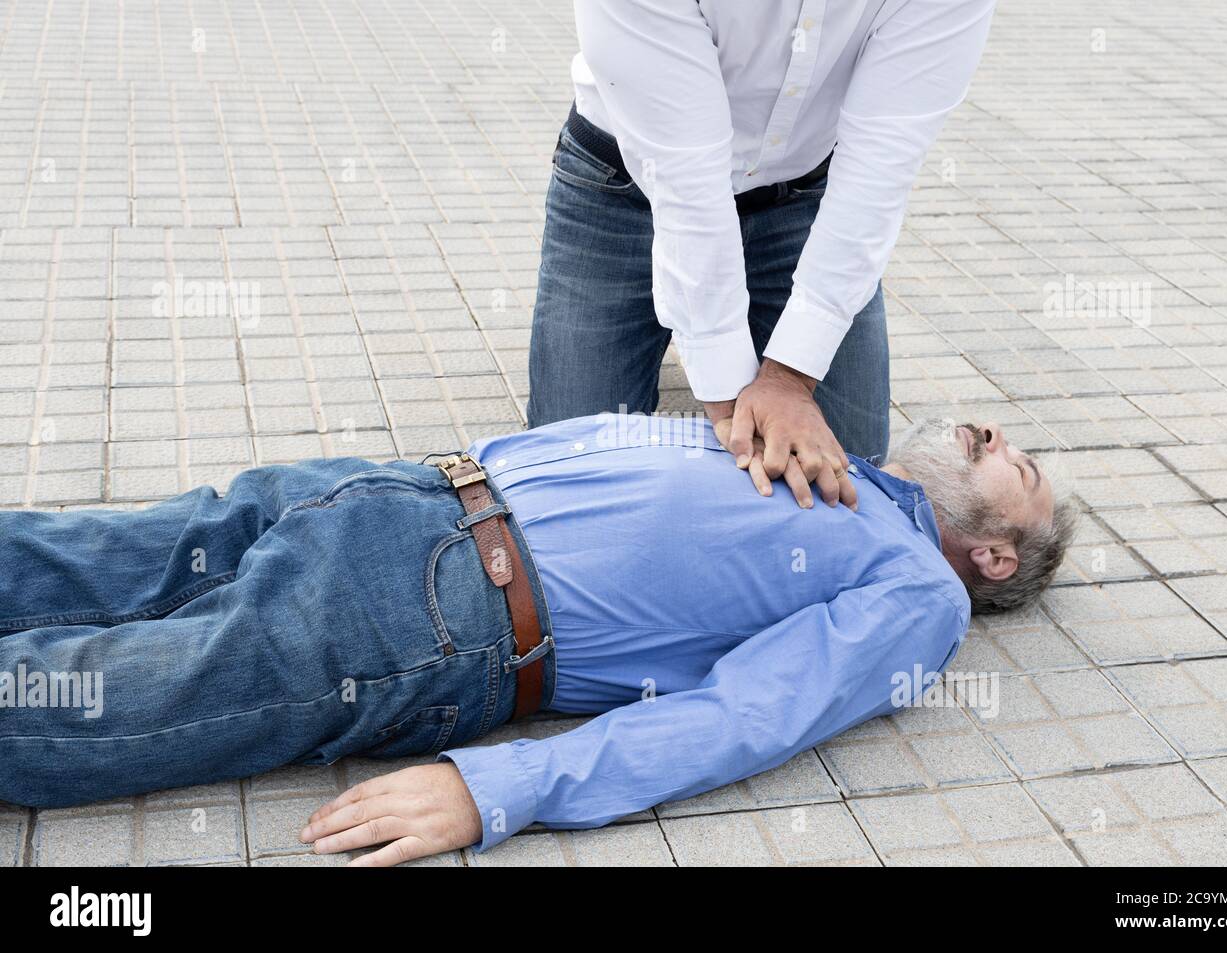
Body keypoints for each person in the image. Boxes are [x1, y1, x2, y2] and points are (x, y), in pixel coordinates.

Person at [0, 413, 1073, 865]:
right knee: (75, 551)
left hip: (437, 615)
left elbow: (747, 716)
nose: (989, 432)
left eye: (1010, 465)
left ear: (990, 556)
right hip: (402, 489)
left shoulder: (915, 596)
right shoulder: (828, 453)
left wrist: (502, 788)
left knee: (106, 696)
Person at [528, 0, 998, 498]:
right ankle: (674, 335)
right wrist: (731, 398)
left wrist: (790, 379)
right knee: (565, 483)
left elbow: (881, 167)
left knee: (850, 480)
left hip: (799, 196)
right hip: (623, 190)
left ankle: (711, 333)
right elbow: (687, 182)